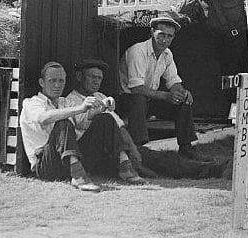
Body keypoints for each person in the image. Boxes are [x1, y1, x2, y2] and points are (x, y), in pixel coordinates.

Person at [19, 61, 143, 192]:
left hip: (69, 161)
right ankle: (78, 176)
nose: (57, 85)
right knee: (63, 122)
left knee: (105, 118)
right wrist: (80, 108)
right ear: (42, 83)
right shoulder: (31, 102)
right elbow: (44, 118)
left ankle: (125, 167)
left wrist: (102, 107)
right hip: (47, 166)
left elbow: (81, 123)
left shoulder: (64, 102)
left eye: (61, 81)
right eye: (52, 81)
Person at [118, 15, 206, 161]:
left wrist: (182, 92)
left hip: (150, 99)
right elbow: (136, 89)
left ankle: (186, 147)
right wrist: (166, 96)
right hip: (127, 101)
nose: (165, 40)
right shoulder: (137, 51)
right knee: (138, 99)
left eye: (169, 36)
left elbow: (173, 81)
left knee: (182, 99)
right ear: (152, 32)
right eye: (161, 35)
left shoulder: (167, 54)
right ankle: (139, 149)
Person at [66, 59, 156, 182]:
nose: (96, 81)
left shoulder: (100, 96)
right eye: (92, 77)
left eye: (99, 78)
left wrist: (134, 150)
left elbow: (119, 126)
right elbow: (81, 123)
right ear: (79, 76)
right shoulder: (70, 100)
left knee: (153, 158)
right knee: (105, 118)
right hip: (85, 154)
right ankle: (126, 167)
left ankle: (128, 165)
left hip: (106, 152)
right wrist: (99, 110)